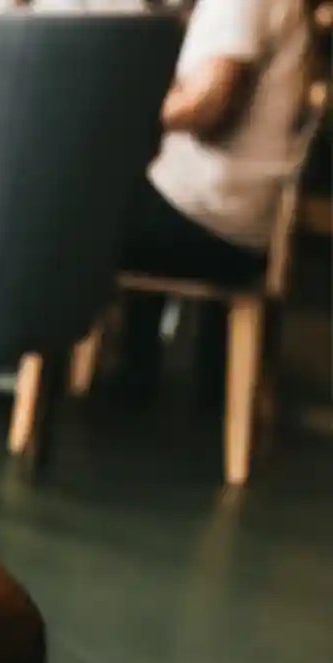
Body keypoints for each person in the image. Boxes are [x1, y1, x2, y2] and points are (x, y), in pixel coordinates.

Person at [117, 0, 315, 402]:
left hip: (208, 221)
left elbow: (211, 108)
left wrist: (120, 106)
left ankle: (30, 380)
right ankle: (130, 377)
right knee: (112, 195)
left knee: (61, 211)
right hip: (234, 220)